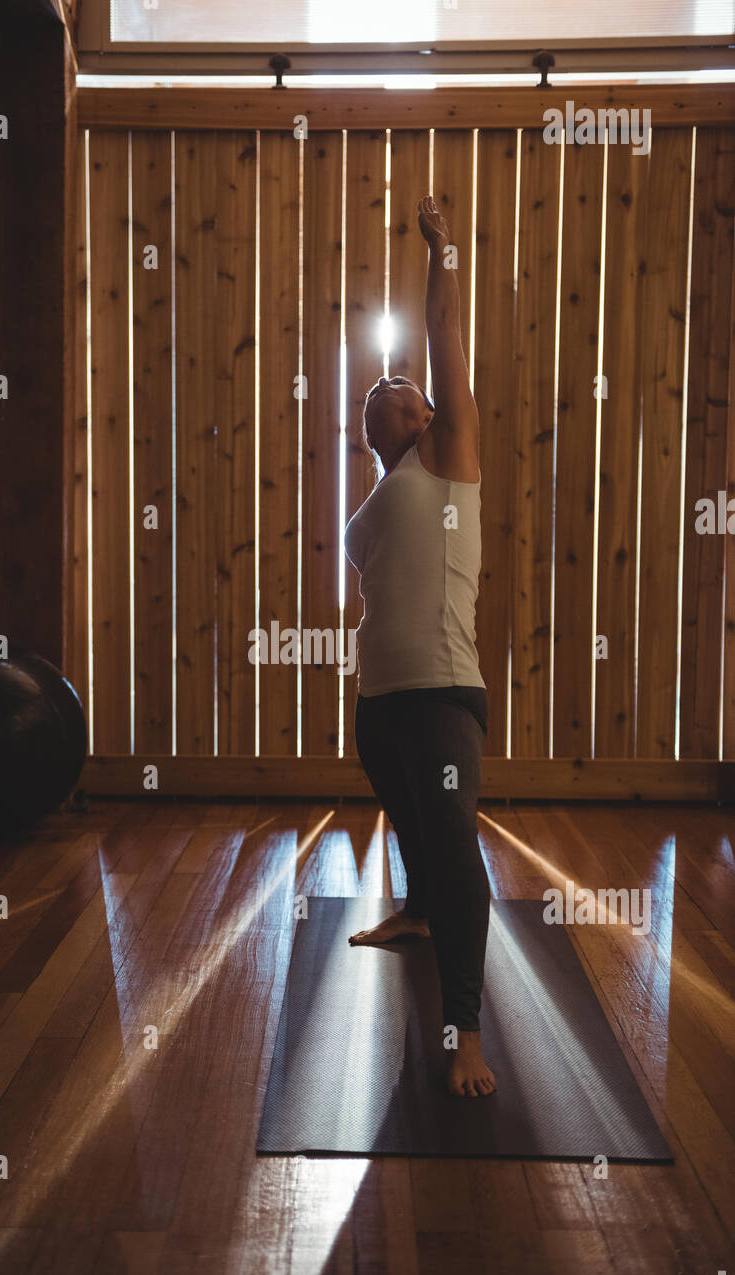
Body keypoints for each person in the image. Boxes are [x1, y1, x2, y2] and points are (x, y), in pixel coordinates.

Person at [343, 195, 495, 1099]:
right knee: (409, 821)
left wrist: (441, 248)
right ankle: (417, 912)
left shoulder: (447, 454)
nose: (383, 391)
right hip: (380, 696)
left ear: (426, 412)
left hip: (440, 690)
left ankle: (465, 1030)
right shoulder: (380, 492)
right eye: (373, 394)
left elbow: (443, 329)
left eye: (397, 390)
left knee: (451, 839)